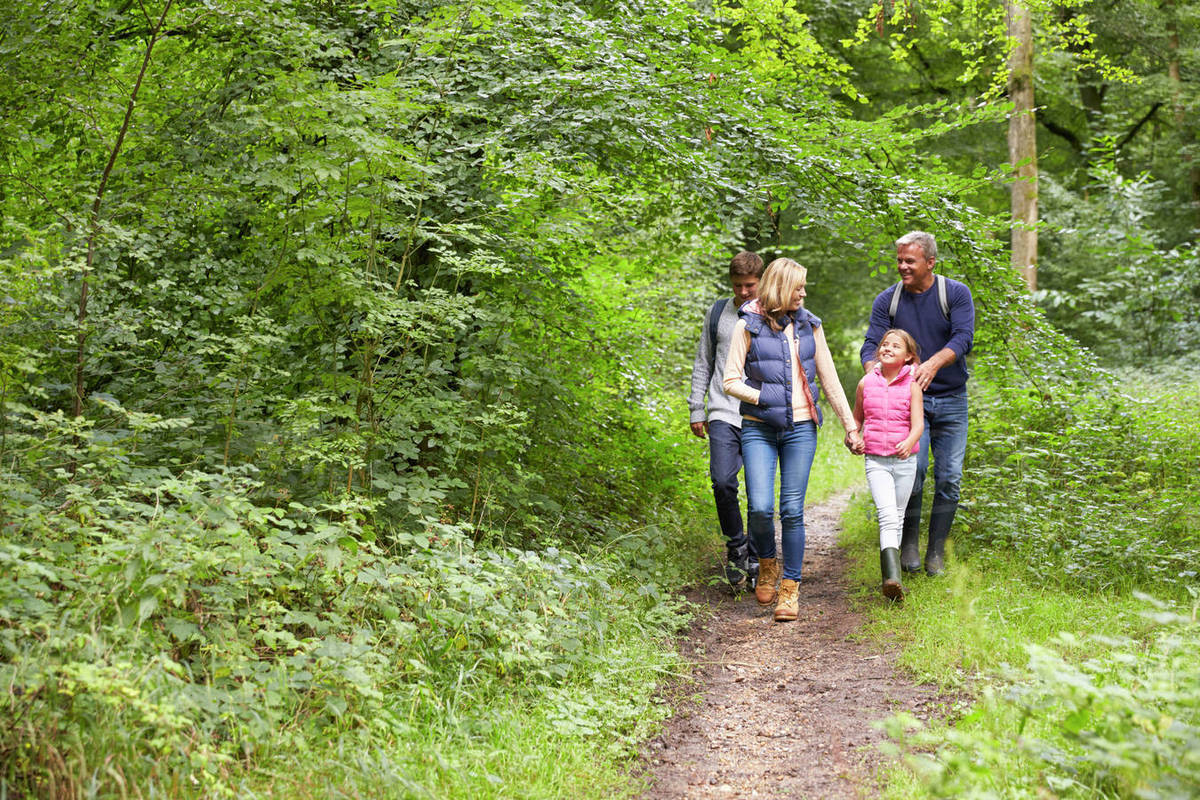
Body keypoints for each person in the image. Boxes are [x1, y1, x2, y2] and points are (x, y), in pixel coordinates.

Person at [723, 258, 863, 622]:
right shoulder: (747, 325)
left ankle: (790, 588)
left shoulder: (810, 325)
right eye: (798, 287)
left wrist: (850, 426)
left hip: (801, 428)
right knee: (759, 506)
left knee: (791, 509)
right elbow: (730, 381)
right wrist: (762, 397)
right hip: (758, 427)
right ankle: (767, 563)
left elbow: (829, 378)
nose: (803, 293)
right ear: (781, 287)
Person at [860, 231, 975, 576]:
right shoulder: (888, 301)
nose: (902, 267)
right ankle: (908, 541)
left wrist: (932, 364)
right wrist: (876, 376)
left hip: (952, 399)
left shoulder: (954, 293)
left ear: (930, 262)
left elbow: (964, 337)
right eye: (899, 260)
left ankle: (936, 552)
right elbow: (870, 345)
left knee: (950, 477)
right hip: (909, 404)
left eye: (909, 261)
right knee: (916, 470)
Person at [688, 251, 765, 589]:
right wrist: (696, 408)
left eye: (749, 285)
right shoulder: (719, 312)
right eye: (738, 286)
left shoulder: (772, 313)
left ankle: (756, 558)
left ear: (761, 281)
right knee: (723, 482)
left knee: (758, 491)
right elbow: (703, 361)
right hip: (722, 410)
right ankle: (736, 546)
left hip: (760, 414)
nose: (744, 292)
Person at [853, 329, 924, 599]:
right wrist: (853, 438)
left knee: (896, 517)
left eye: (896, 346)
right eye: (884, 344)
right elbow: (856, 421)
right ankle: (892, 578)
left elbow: (918, 425)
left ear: (908, 357)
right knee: (887, 515)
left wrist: (909, 442)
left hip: (905, 462)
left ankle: (892, 580)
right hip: (876, 461)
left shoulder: (912, 385)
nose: (888, 348)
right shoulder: (865, 383)